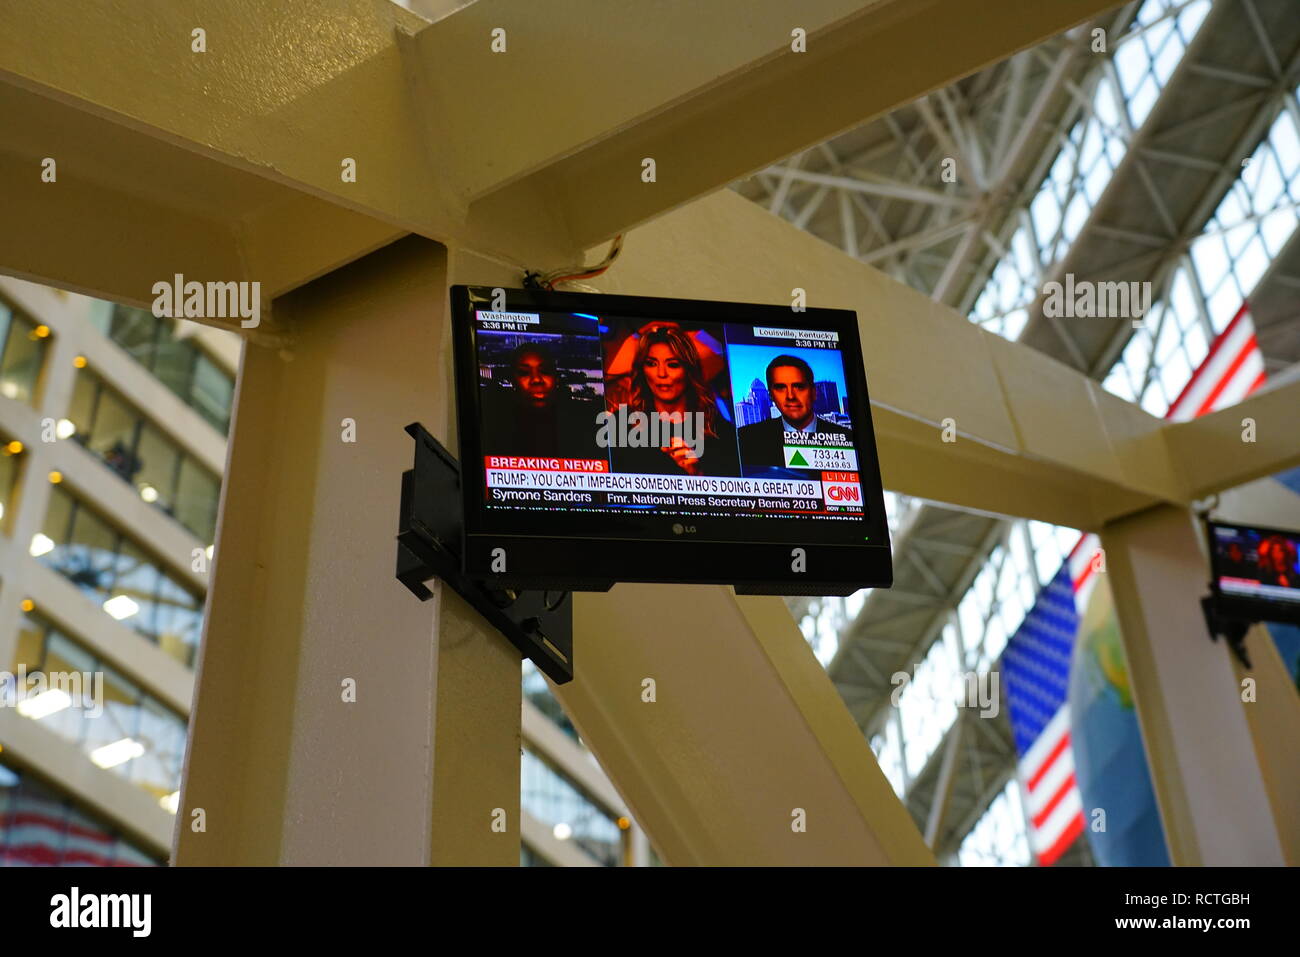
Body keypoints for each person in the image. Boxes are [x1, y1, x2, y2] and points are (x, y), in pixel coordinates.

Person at [609, 325, 738, 476]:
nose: (661, 374)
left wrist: (697, 475)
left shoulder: (721, 433)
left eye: (673, 365)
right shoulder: (620, 424)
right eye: (651, 364)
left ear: (689, 370)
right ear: (642, 370)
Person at [480, 342, 601, 459]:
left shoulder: (586, 422)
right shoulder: (492, 427)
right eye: (525, 372)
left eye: (544, 371)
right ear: (512, 380)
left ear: (556, 377)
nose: (537, 380)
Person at [738, 355, 853, 467]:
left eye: (799, 387)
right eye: (780, 388)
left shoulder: (847, 437)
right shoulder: (747, 438)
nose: (791, 396)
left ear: (813, 392)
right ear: (771, 396)